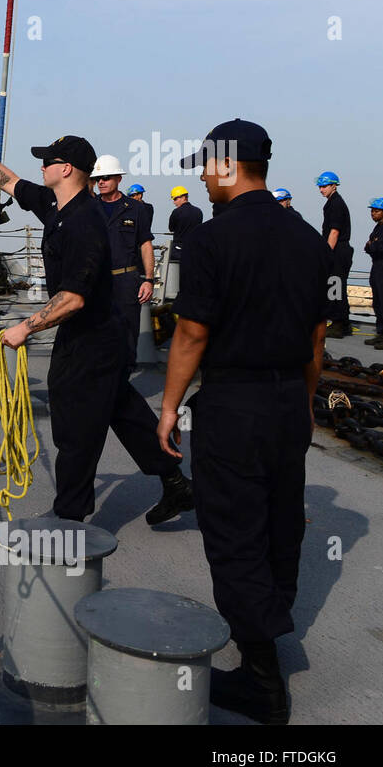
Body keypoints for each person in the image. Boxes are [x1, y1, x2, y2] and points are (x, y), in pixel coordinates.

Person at [157, 119, 331, 725]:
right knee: (281, 523)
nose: (203, 178)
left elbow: (192, 331)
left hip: (234, 404)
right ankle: (268, 632)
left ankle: (262, 680)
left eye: (206, 166)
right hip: (287, 403)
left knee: (233, 532)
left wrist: (169, 406)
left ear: (228, 166)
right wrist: (304, 403)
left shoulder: (210, 240)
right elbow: (316, 338)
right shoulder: (310, 239)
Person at [0, 121, 191, 524]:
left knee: (76, 426)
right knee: (124, 411)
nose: (41, 168)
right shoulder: (54, 205)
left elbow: (73, 298)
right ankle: (177, 485)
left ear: (67, 169)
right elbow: (8, 180)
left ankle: (69, 519)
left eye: (48, 162)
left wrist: (24, 328)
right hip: (99, 333)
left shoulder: (84, 223)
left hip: (93, 338)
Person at [92, 155, 155, 363]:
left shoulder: (136, 209)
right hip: (96, 283)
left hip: (126, 281)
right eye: (97, 178)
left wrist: (148, 279)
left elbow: (145, 244)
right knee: (96, 338)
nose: (101, 182)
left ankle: (121, 386)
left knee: (127, 338)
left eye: (106, 177)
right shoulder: (89, 208)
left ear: (119, 178)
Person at [318, 171, 352, 339]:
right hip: (338, 249)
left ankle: (339, 323)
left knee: (335, 285)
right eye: (320, 186)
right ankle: (342, 322)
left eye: (324, 186)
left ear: (333, 185)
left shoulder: (336, 204)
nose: (321, 189)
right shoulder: (332, 203)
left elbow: (334, 231)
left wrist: (327, 254)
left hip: (338, 250)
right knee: (335, 285)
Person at [366, 198, 383, 349]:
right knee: (377, 301)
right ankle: (381, 333)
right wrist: (373, 245)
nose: (373, 213)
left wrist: (373, 245)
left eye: (376, 211)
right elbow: (369, 246)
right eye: (372, 211)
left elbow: (379, 247)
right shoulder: (377, 228)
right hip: (377, 266)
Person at [167, 186, 203, 262]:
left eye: (175, 199)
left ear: (183, 197)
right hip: (194, 249)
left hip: (178, 250)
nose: (174, 202)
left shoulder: (176, 212)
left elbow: (171, 228)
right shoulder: (198, 211)